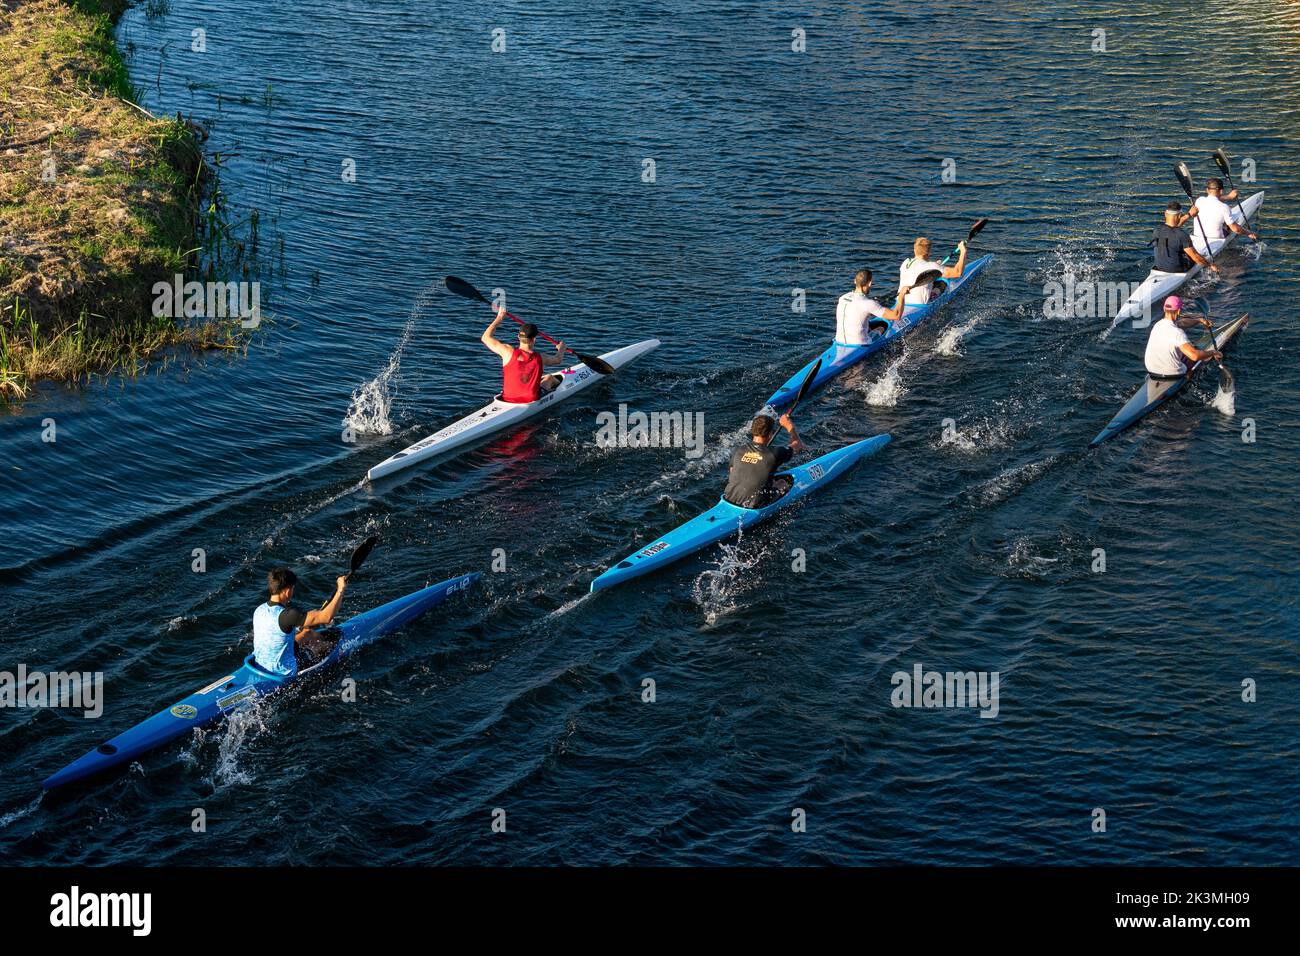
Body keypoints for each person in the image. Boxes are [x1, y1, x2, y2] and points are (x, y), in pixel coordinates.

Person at [252, 567, 347, 677]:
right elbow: (327, 617)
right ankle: (334, 646)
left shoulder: (259, 609)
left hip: (261, 664)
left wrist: (308, 619)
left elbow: (276, 631)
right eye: (292, 589)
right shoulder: (289, 615)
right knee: (319, 647)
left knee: (307, 632)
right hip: (282, 671)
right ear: (287, 591)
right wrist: (341, 589)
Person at [480, 304, 567, 403]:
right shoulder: (540, 358)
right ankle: (561, 389)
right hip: (530, 400)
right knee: (549, 378)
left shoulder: (507, 352)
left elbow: (485, 338)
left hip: (507, 398)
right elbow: (558, 359)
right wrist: (562, 348)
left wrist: (499, 318)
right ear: (534, 339)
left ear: (518, 337)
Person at [723, 413, 805, 509]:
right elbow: (798, 445)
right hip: (755, 506)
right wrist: (789, 427)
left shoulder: (738, 450)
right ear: (770, 434)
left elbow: (733, 471)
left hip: (729, 498)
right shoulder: (775, 453)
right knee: (782, 483)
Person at [1143, 295, 1221, 379]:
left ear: (1164, 309)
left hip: (1152, 371)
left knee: (1182, 351)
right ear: (1178, 311)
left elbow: (1181, 323)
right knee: (1198, 356)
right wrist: (1213, 352)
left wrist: (1199, 320)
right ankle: (1189, 376)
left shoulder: (1157, 325)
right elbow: (1195, 356)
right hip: (1173, 374)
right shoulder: (1177, 333)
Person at [835, 268, 911, 345]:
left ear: (855, 281)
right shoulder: (868, 303)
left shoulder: (842, 298)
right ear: (870, 283)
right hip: (861, 344)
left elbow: (857, 310)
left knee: (868, 326)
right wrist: (901, 295)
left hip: (839, 341)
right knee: (881, 327)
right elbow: (896, 316)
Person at [1184, 177, 1257, 255]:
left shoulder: (1199, 200)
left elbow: (1213, 200)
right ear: (1221, 191)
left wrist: (1229, 197)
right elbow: (1236, 230)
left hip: (1197, 238)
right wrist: (1249, 233)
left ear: (1207, 190)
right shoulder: (1224, 207)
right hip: (1217, 239)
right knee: (1230, 223)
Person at [1150, 201, 1216, 275]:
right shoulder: (1182, 235)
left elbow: (1172, 229)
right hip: (1177, 269)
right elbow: (1196, 257)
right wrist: (1210, 265)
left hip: (1159, 267)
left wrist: (1189, 215)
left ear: (1165, 214)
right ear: (1179, 215)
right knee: (1199, 256)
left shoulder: (1156, 230)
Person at [899, 237, 966, 305]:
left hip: (900, 302)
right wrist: (963, 251)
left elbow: (919, 267)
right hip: (919, 306)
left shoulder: (906, 262)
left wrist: (936, 265)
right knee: (942, 283)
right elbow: (958, 272)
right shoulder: (932, 266)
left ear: (914, 249)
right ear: (929, 253)